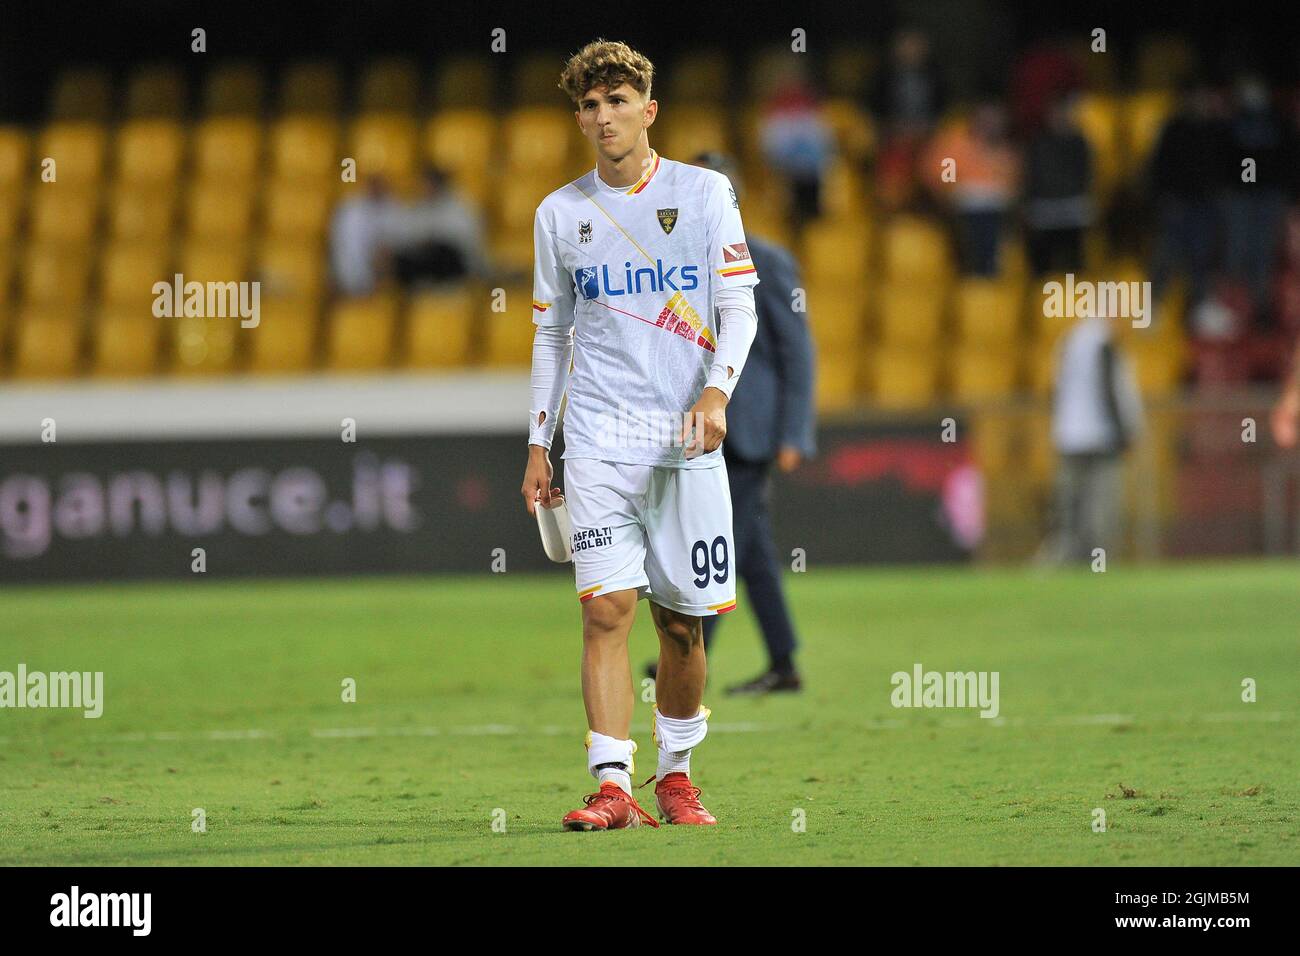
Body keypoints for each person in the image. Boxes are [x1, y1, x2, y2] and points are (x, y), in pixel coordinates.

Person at [520, 40, 759, 831]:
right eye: (589, 106)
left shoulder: (704, 193)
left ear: (648, 111)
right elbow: (551, 336)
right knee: (605, 612)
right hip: (595, 441)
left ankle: (677, 777)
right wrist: (538, 443)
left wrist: (718, 392)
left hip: (687, 442)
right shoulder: (559, 214)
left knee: (681, 626)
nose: (602, 117)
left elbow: (740, 308)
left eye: (617, 101)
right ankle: (613, 786)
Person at [643, 152, 815, 695]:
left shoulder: (766, 260)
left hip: (752, 428)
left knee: (723, 543)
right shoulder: (676, 263)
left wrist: (793, 432)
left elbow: (797, 352)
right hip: (704, 426)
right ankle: (784, 662)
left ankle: (689, 653)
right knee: (752, 548)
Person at [1041, 309, 1144, 564]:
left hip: (1068, 438)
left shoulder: (1068, 341)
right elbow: (1108, 391)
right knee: (1101, 508)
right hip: (1100, 439)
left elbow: (1055, 388)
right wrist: (1123, 432)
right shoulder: (1103, 344)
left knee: (1070, 510)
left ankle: (1065, 562)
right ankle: (1098, 563)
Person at [382, 165, 490, 287]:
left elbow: (467, 243)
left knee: (442, 251)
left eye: (429, 184)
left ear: (439, 184)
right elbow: (405, 237)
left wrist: (434, 239)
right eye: (423, 184)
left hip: (453, 267)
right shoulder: (417, 209)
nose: (425, 188)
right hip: (423, 265)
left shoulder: (461, 208)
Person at [1023, 92, 1093, 276]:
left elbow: (1085, 175)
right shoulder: (1038, 142)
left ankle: (1072, 300)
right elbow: (1033, 176)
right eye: (1055, 113)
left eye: (1063, 113)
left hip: (1073, 207)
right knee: (1041, 264)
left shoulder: (1080, 142)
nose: (1060, 118)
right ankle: (1041, 299)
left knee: (1074, 262)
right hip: (1045, 208)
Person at [328, 175, 396, 296]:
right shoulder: (351, 211)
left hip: (381, 282)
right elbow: (341, 247)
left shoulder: (394, 209)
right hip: (351, 275)